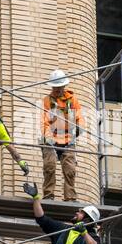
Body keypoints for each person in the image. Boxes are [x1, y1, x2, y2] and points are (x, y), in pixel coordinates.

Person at [41, 68, 83, 202]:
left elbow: (79, 117)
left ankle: (70, 197)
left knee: (70, 169)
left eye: (60, 87)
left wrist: (79, 128)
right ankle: (48, 195)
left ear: (64, 86)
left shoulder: (72, 100)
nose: (57, 90)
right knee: (50, 166)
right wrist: (48, 137)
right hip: (51, 138)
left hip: (68, 138)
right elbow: (44, 121)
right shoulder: (47, 101)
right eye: (55, 87)